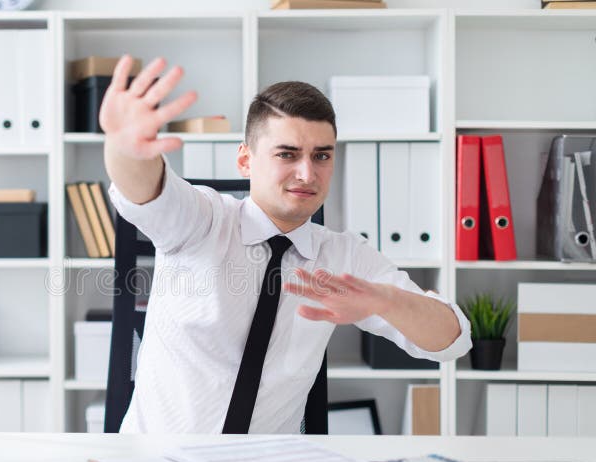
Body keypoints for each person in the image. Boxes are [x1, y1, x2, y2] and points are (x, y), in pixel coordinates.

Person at [100, 55, 471, 434]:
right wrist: (123, 146)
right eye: (287, 154)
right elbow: (145, 188)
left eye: (322, 156)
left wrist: (387, 301)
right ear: (245, 160)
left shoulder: (344, 256)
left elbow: (452, 341)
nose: (308, 173)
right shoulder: (201, 220)